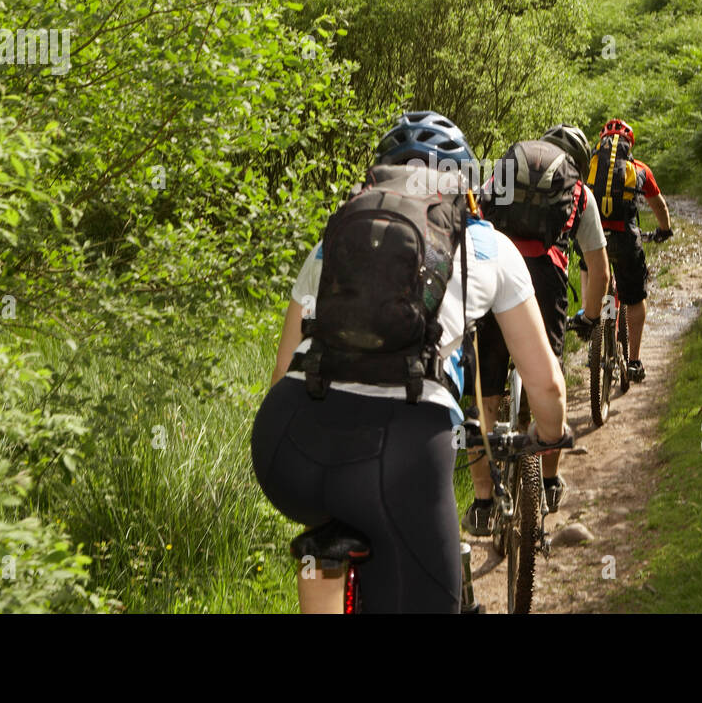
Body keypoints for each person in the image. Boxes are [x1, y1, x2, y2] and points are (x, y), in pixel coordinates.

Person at [250, 111, 570, 613]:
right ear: (462, 182)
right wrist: (550, 436)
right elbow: (546, 386)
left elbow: (281, 373)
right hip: (401, 456)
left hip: (285, 450)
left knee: (326, 537)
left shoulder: (330, 245)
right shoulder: (488, 246)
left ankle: (326, 570)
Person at [463, 124, 610, 535]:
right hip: (543, 284)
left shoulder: (503, 172)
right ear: (576, 162)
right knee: (547, 379)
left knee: (483, 394)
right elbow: (597, 269)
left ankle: (481, 503)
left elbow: (474, 216)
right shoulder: (581, 193)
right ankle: (546, 484)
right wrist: (592, 317)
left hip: (494, 272)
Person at [576, 118, 672, 383]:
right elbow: (659, 206)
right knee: (634, 298)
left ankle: (593, 326)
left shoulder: (589, 167)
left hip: (593, 239)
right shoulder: (638, 169)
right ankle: (634, 362)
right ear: (630, 145)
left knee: (590, 270)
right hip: (626, 239)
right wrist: (664, 230)